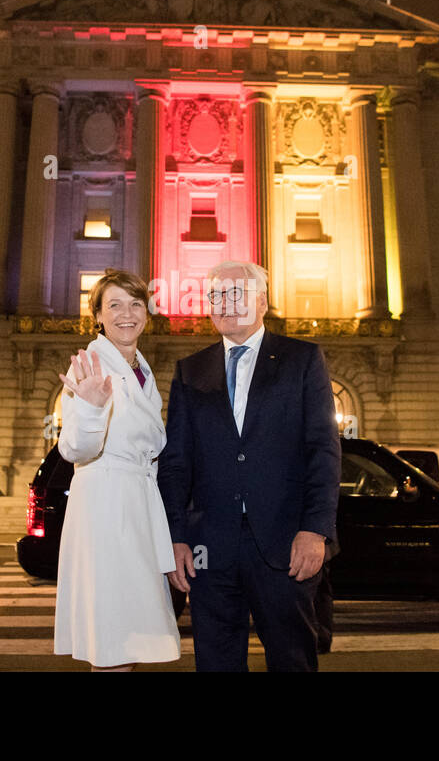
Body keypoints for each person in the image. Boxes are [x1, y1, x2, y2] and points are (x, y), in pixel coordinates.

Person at [159, 260, 340, 671]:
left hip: (286, 544)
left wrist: (315, 530)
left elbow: (323, 451)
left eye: (235, 294)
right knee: (216, 661)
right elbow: (176, 463)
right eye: (216, 296)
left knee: (292, 659)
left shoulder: (303, 360)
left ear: (262, 301)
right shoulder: (190, 370)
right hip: (210, 548)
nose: (224, 303)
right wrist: (176, 537)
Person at [53, 269, 180, 671]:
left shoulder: (142, 370)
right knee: (114, 639)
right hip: (107, 510)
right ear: (98, 316)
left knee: (133, 637)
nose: (127, 314)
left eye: (135, 304)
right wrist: (89, 408)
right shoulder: (88, 366)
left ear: (147, 312)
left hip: (137, 508)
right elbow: (74, 448)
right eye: (114, 305)